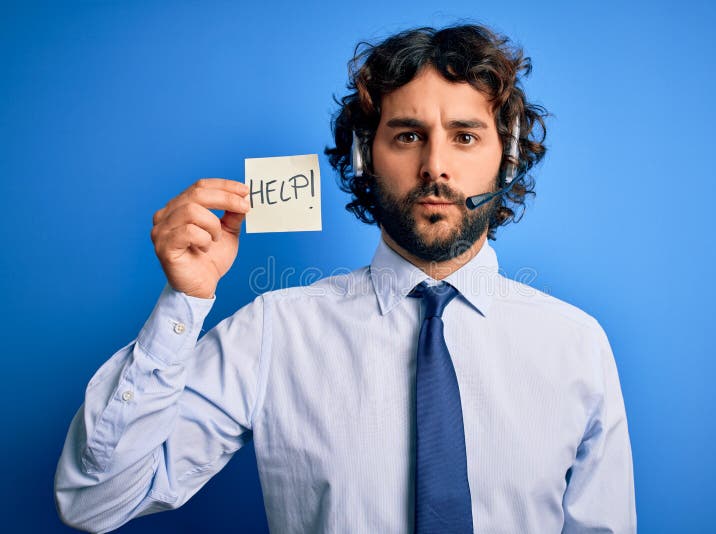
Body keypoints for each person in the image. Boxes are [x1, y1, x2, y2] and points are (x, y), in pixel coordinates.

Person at [55, 24, 636, 533]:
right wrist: (185, 301)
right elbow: (95, 503)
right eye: (408, 136)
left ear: (505, 158)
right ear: (364, 156)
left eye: (465, 136)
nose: (436, 166)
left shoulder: (577, 346)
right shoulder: (274, 331)